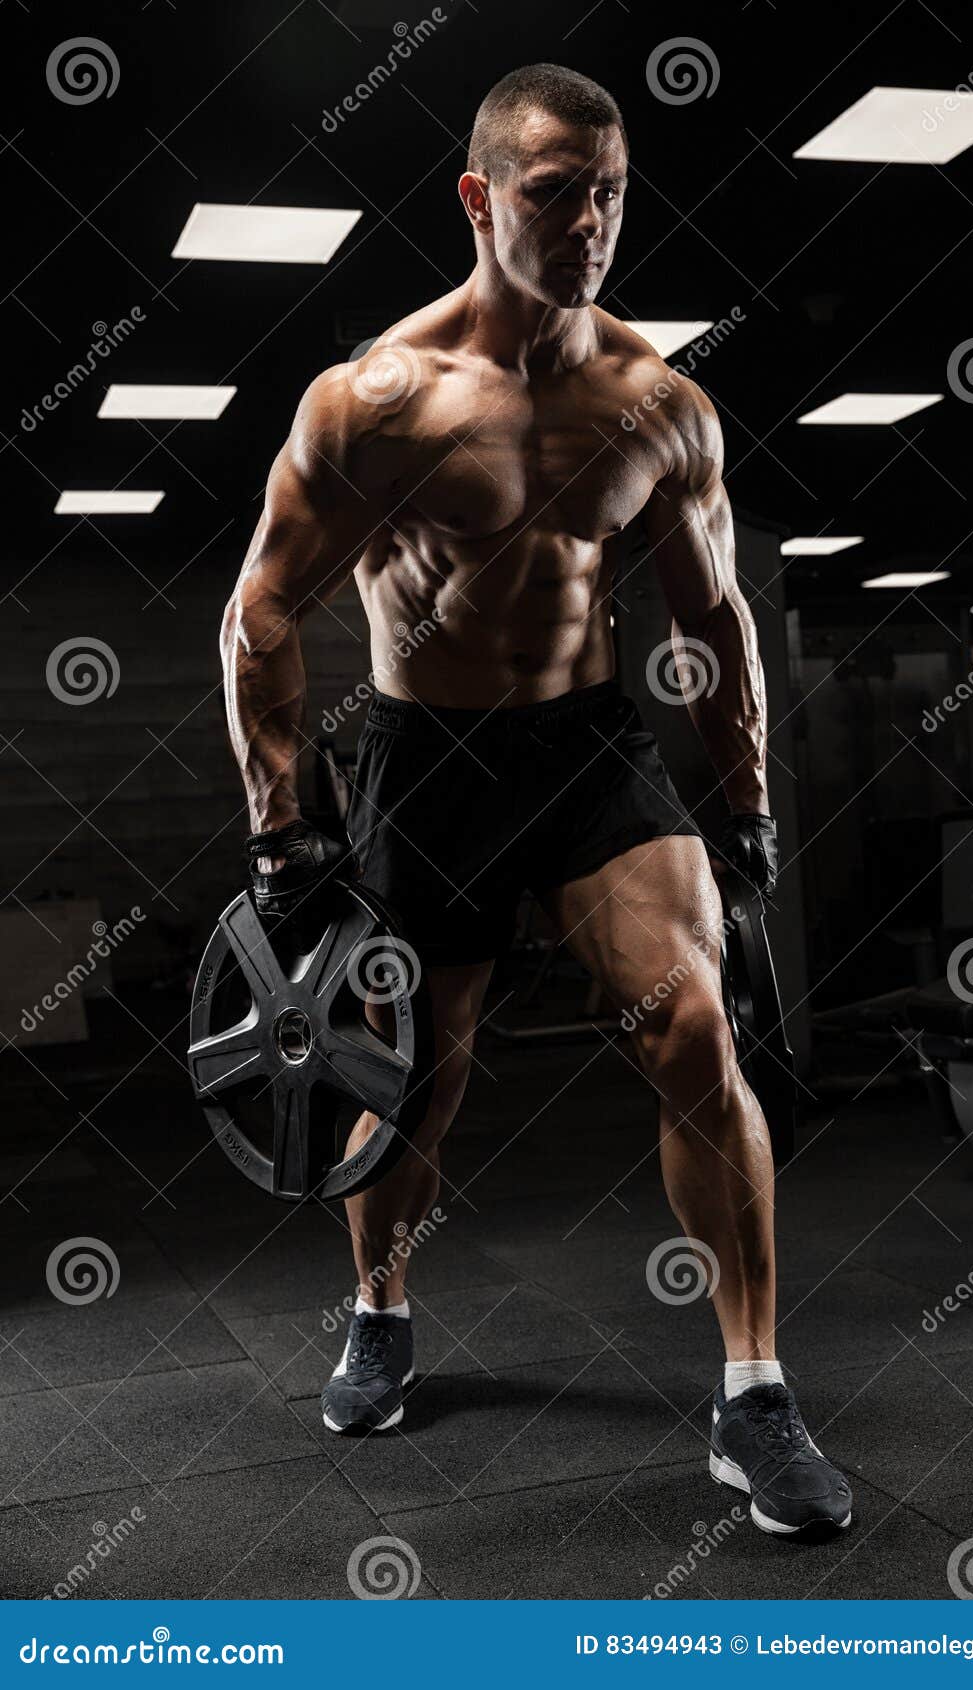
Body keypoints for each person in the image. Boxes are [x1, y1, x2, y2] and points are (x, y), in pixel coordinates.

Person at [221, 63, 851, 1537]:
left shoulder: (658, 402)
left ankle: (753, 1394)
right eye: (556, 192)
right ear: (480, 196)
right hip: (421, 757)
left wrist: (743, 797)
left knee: (693, 1024)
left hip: (585, 749)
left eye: (612, 193)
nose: (590, 221)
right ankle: (381, 1309)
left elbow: (716, 619)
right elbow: (259, 614)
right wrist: (278, 826)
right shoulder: (374, 400)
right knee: (415, 1075)